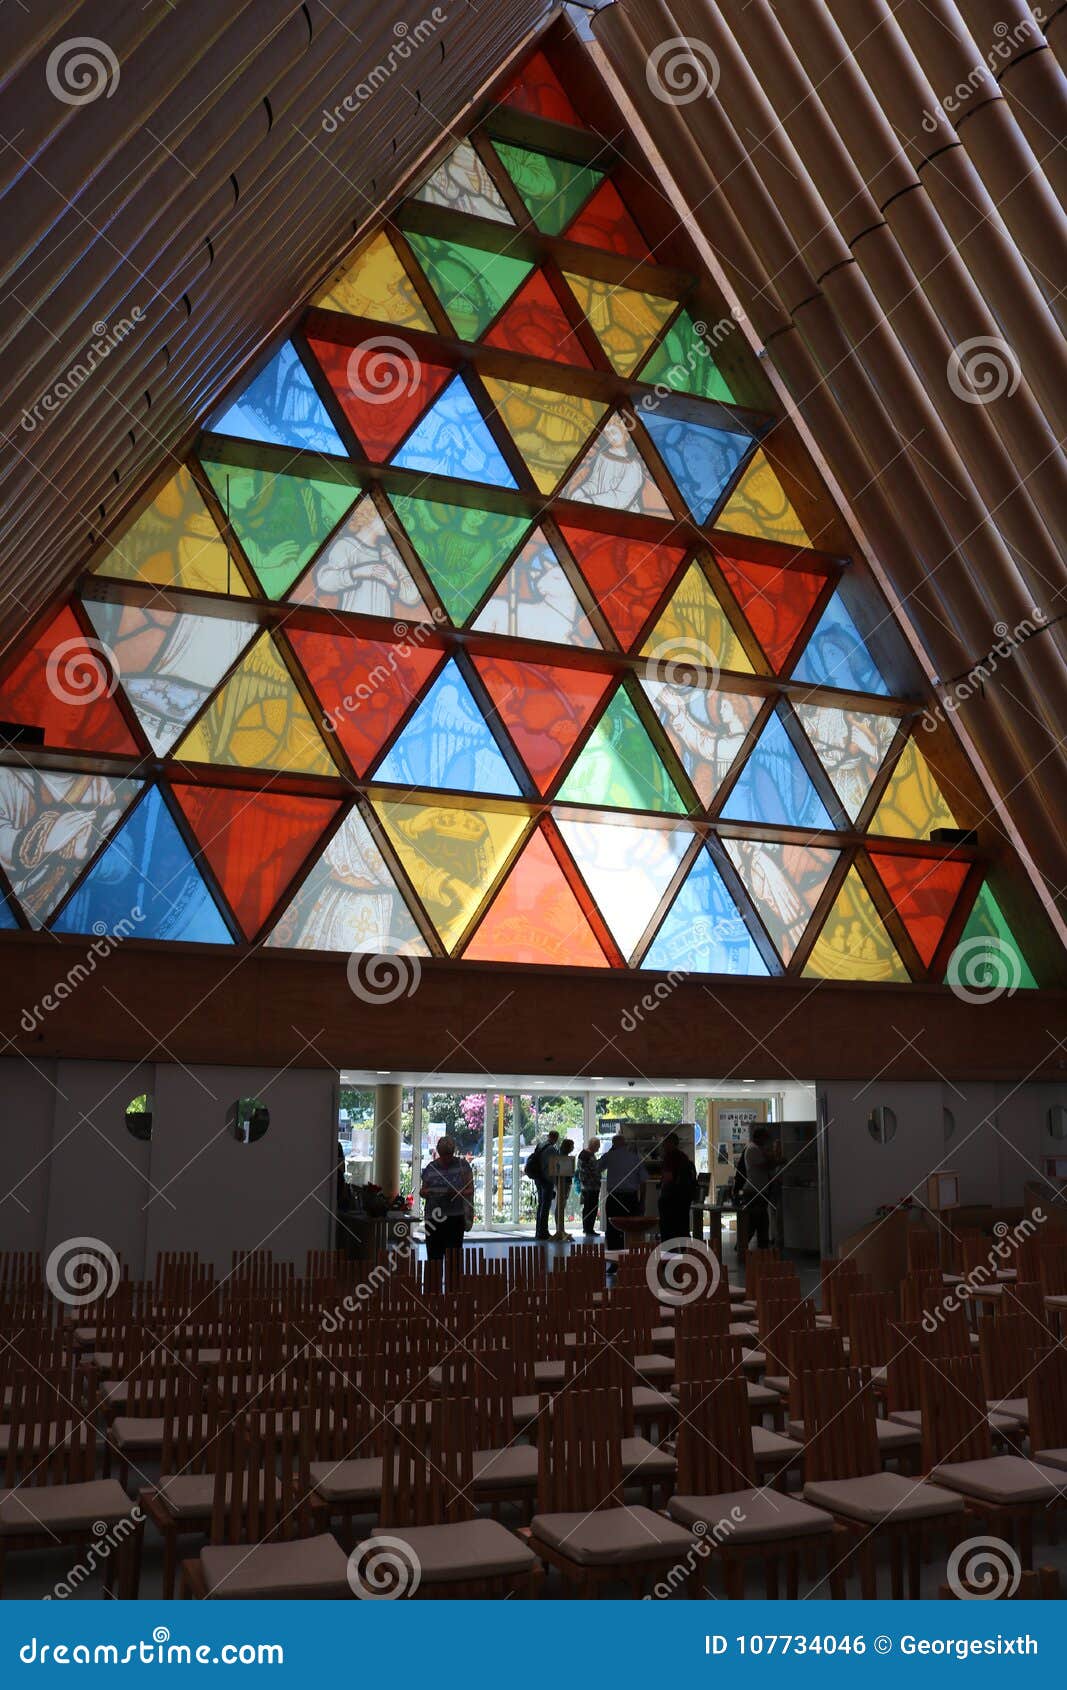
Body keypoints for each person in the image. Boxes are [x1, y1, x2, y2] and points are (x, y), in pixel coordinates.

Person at [420, 1137, 474, 1262]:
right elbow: (422, 1191)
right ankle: (434, 1275)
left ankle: (452, 1276)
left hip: (455, 1218)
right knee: (434, 1258)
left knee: (454, 1259)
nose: (446, 1158)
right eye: (443, 1155)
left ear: (453, 1152)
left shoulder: (463, 1166)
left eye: (448, 1155)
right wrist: (429, 1192)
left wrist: (456, 1193)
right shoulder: (431, 1167)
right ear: (439, 1152)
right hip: (433, 1218)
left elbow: (470, 1190)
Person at [596, 1130, 646, 1256]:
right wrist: (642, 1201)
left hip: (614, 1198)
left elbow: (597, 1167)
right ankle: (631, 1256)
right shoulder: (635, 1158)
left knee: (613, 1229)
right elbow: (643, 1180)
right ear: (626, 1144)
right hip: (631, 1198)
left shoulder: (609, 1156)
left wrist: (610, 1153)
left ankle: (615, 1257)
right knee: (631, 1228)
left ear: (613, 1144)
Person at [657, 1131, 698, 1243]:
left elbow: (668, 1177)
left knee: (668, 1228)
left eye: (664, 1142)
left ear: (670, 1143)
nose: (663, 1145)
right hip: (684, 1198)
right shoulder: (683, 1156)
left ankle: (669, 1251)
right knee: (682, 1226)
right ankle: (684, 1250)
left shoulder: (670, 1157)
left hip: (671, 1197)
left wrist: (662, 1189)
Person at [743, 1126, 776, 1252]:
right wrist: (776, 1160)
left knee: (759, 1221)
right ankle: (744, 1245)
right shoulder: (753, 1149)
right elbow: (765, 1165)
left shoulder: (757, 1149)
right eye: (765, 1139)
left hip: (759, 1190)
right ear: (759, 1138)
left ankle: (757, 1246)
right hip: (755, 1191)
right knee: (756, 1221)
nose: (766, 1142)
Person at [526, 1129, 559, 1241]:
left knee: (541, 1205)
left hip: (538, 1178)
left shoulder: (540, 1145)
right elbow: (552, 1166)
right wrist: (553, 1181)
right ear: (555, 1138)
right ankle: (543, 1232)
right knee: (545, 1206)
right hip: (546, 1180)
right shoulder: (552, 1149)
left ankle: (538, 1231)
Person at [576, 1138, 602, 1236]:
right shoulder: (587, 1155)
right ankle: (588, 1228)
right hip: (590, 1186)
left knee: (588, 1207)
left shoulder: (585, 1154)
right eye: (597, 1146)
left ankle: (587, 1228)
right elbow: (588, 1171)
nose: (598, 1148)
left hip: (588, 1186)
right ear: (593, 1145)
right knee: (591, 1207)